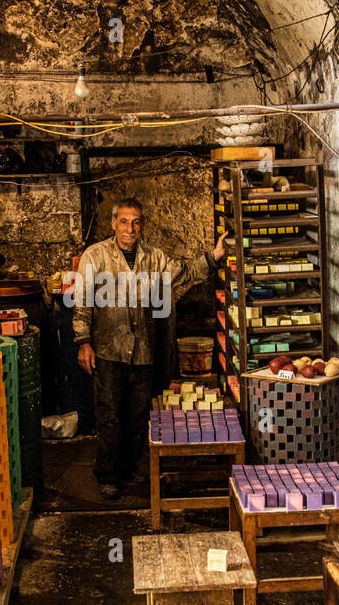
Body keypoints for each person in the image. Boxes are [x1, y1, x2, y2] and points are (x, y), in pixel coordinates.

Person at [73, 197, 227, 500]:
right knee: (109, 415)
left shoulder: (153, 258)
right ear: (113, 224)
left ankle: (131, 468)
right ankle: (108, 474)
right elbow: (82, 301)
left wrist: (214, 256)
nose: (130, 228)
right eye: (124, 221)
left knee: (137, 414)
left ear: (142, 225)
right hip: (108, 349)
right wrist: (83, 342)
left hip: (142, 350)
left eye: (136, 222)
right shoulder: (96, 256)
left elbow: (183, 273)